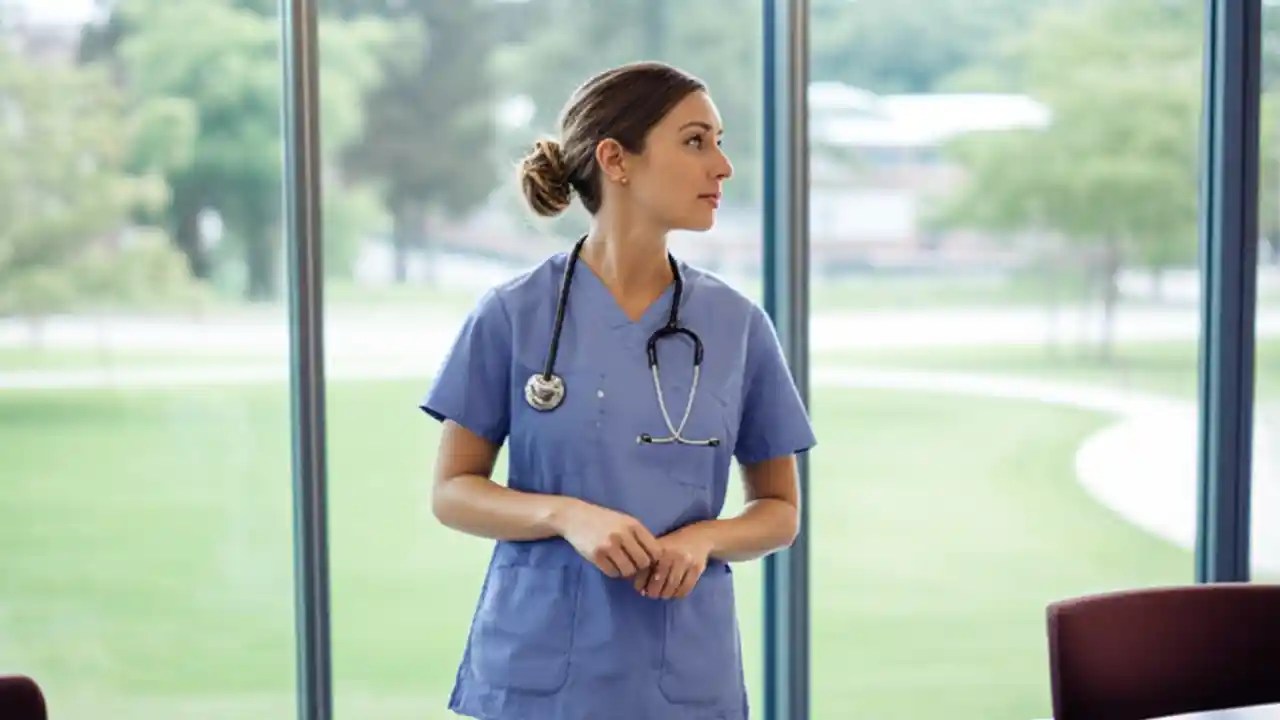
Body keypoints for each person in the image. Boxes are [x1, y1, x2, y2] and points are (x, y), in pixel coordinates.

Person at [419, 60, 817, 720]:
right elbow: (453, 492)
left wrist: (704, 540)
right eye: (696, 141)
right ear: (616, 159)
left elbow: (779, 508)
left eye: (720, 142)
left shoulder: (736, 325)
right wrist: (565, 515)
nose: (722, 166)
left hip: (684, 675)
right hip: (536, 674)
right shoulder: (513, 314)